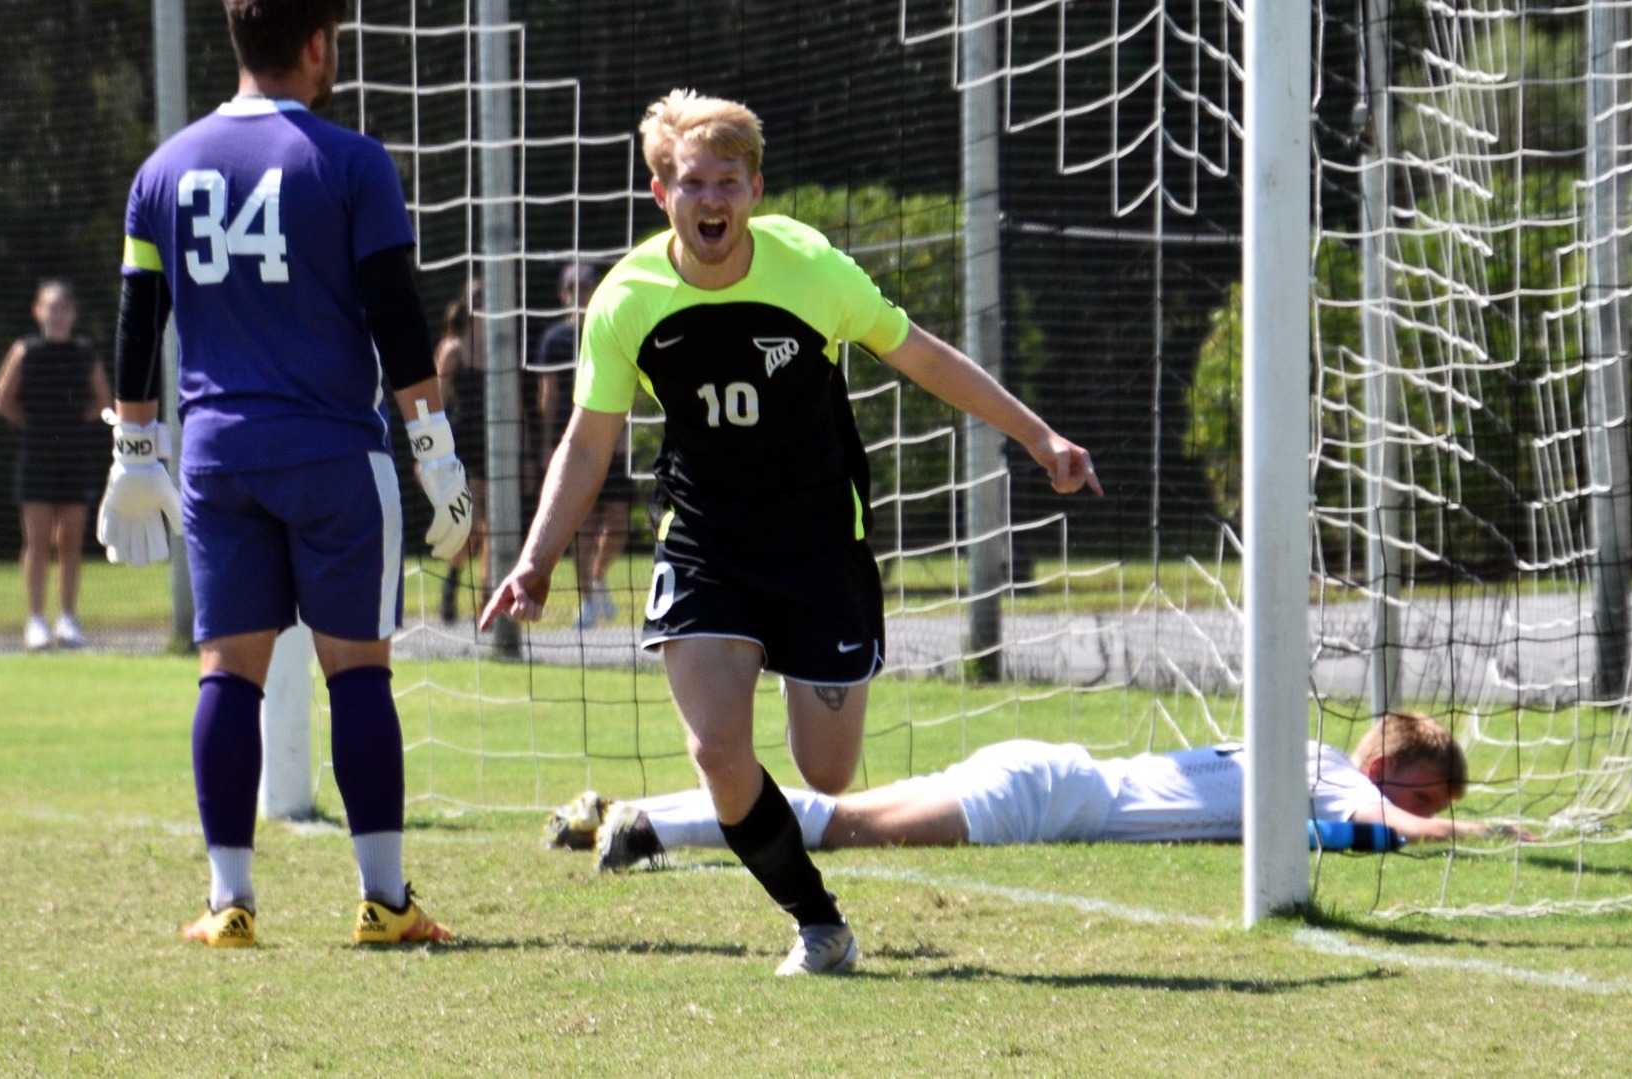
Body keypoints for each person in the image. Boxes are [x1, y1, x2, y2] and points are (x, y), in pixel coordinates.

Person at [479, 89, 1102, 976]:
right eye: (692, 183)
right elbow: (588, 439)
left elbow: (922, 353)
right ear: (663, 196)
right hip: (706, 545)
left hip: (818, 546)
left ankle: (794, 671)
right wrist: (537, 560)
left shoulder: (812, 271)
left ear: (754, 190)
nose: (711, 201)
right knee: (716, 750)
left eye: (727, 182)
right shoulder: (625, 300)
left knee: (829, 774)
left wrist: (1038, 436)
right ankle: (819, 924)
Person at [101, 0, 473, 949]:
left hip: (218, 458)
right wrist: (435, 452)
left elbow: (139, 324)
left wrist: (133, 452)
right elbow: (395, 313)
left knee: (228, 673)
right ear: (317, 45)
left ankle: (231, 903)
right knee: (359, 674)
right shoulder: (353, 162)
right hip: (333, 455)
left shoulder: (161, 171)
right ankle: (384, 902)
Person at [551, 712, 1532, 871]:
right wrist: (1501, 828)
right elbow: (1385, 824)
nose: (1429, 807)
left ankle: (622, 810)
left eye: (1440, 800)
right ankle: (655, 825)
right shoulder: (1326, 764)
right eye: (1429, 788)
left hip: (1051, 777)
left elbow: (1369, 831)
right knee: (850, 825)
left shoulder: (1311, 760)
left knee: (860, 817)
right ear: (1383, 758)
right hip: (1055, 795)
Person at [0, 279, 112, 650]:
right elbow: (1, 399)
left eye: (64, 308)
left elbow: (105, 402)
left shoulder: (85, 353)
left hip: (75, 453)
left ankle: (68, 620)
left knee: (71, 540)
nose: (58, 315)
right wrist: (33, 424)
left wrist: (74, 423)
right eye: (51, 307)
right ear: (37, 311)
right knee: (37, 540)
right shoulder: (25, 351)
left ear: (73, 313)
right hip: (36, 453)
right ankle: (36, 621)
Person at [532, 263, 632, 629]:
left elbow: (628, 383)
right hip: (570, 436)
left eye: (588, 286)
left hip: (611, 434)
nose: (581, 292)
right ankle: (588, 599)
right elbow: (547, 394)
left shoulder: (609, 326)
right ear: (562, 294)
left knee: (618, 521)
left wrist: (624, 431)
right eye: (574, 287)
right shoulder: (554, 339)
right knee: (582, 522)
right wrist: (547, 444)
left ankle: (596, 578)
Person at [434, 289, 488, 623]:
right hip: (462, 440)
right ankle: (449, 593)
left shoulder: (499, 346)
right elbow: (435, 402)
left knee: (493, 524)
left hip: (493, 442)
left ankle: (489, 598)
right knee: (469, 521)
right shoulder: (453, 349)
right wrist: (430, 453)